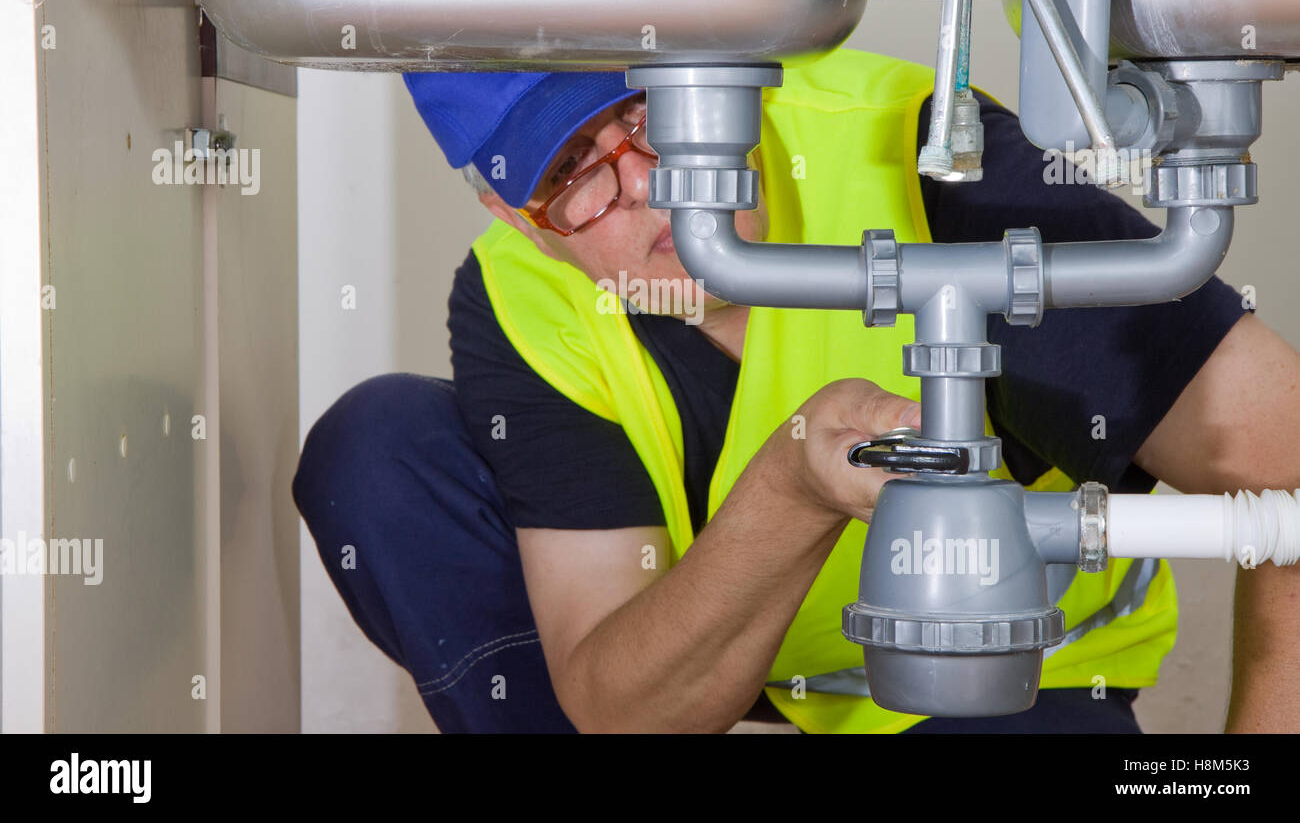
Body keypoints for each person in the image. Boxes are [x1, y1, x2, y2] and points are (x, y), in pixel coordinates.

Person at [293, 47, 1300, 733]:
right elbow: (615, 700)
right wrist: (788, 488)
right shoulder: (524, 288)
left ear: (729, 78)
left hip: (1004, 673)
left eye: (647, 114)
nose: (647, 182)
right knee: (378, 450)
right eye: (570, 172)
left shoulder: (918, 155)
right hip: (744, 648)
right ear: (515, 214)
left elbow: (1289, 455)